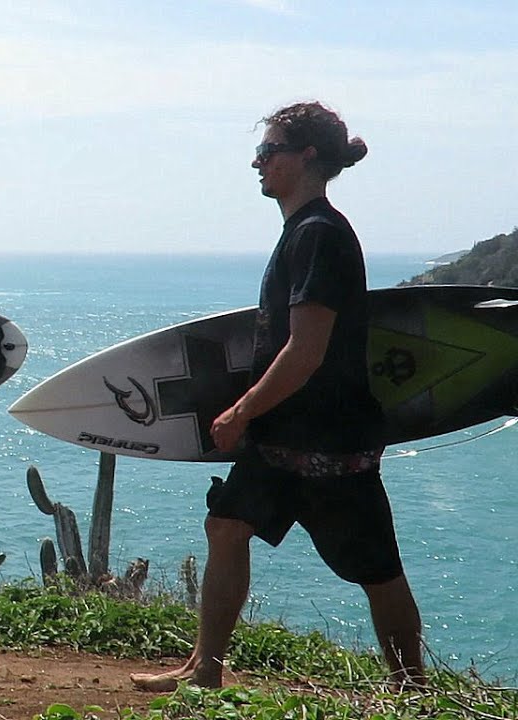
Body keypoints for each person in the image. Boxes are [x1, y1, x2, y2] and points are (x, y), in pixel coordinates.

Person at [131, 102, 425, 690]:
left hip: (328, 443)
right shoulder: (302, 231)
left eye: (267, 152)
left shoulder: (319, 235)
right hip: (285, 437)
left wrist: (242, 411)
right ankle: (204, 670)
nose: (257, 162)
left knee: (377, 571)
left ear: (304, 156)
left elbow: (306, 350)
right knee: (227, 525)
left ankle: (415, 692)